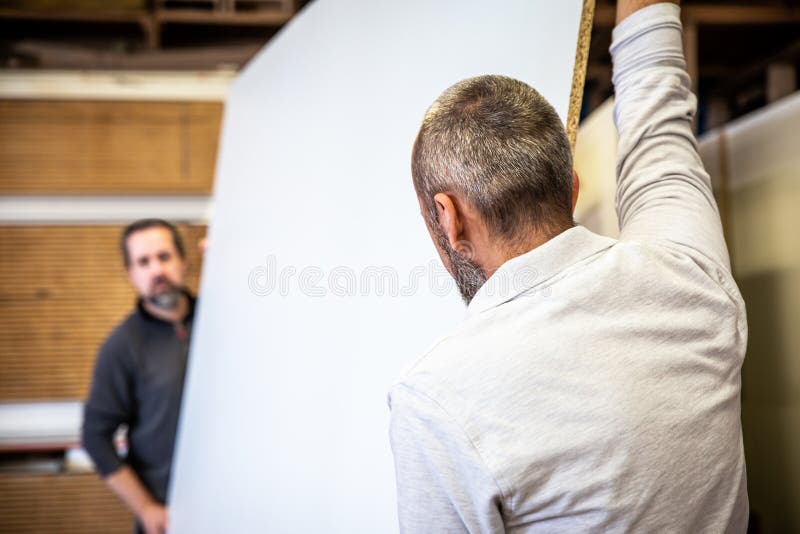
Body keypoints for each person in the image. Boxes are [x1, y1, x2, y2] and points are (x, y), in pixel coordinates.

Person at [388, 1, 748, 532]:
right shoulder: (692, 275)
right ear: (572, 188)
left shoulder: (436, 401)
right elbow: (657, 117)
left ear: (449, 217)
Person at [82, 219, 196, 534]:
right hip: (170, 516)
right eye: (143, 262)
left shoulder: (221, 319)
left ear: (183, 261)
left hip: (236, 502)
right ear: (131, 274)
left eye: (164, 257)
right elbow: (95, 437)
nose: (157, 270)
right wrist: (146, 508)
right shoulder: (122, 346)